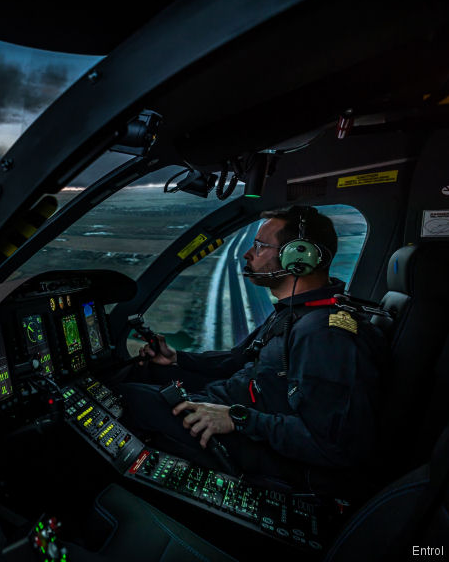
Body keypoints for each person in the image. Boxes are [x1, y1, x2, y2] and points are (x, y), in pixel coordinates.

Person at [114, 205, 387, 489]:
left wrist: (237, 418)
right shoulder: (296, 311)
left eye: (259, 246)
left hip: (254, 442)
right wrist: (177, 359)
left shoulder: (325, 336)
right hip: (237, 406)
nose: (248, 254)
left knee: (124, 399)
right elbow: (237, 359)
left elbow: (332, 443)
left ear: (298, 257)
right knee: (143, 376)